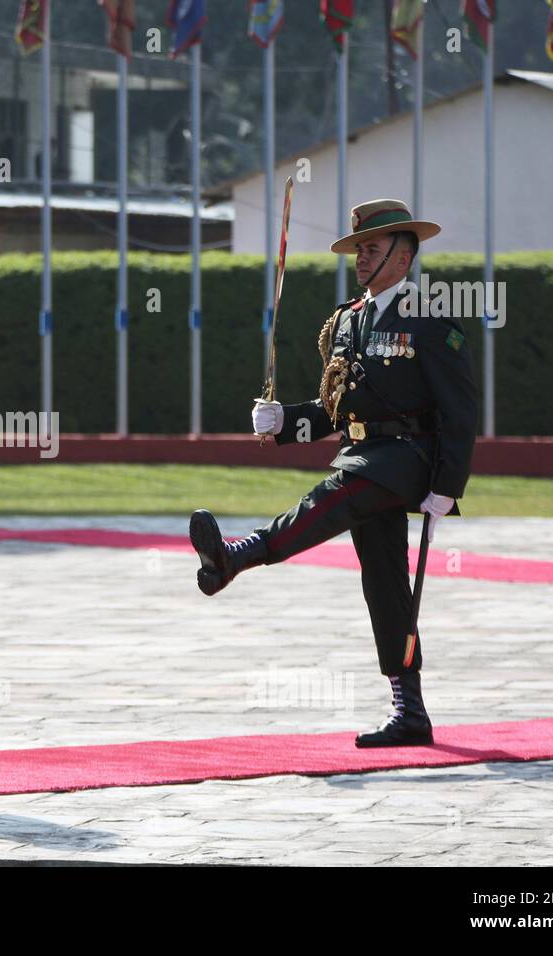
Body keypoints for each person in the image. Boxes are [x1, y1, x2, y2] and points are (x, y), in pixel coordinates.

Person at [190, 199, 477, 748]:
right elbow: (334, 408)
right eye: (359, 250)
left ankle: (240, 554)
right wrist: (283, 422)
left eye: (373, 249)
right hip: (361, 456)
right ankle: (409, 709)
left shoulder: (431, 318)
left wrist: (447, 487)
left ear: (404, 254)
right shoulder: (348, 319)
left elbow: (460, 412)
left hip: (406, 461)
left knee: (334, 498)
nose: (362, 258)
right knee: (385, 584)